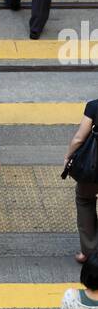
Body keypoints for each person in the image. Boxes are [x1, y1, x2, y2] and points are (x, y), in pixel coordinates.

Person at [64, 100, 98, 263]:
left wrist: (68, 157)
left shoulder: (94, 106)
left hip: (92, 168)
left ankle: (90, 252)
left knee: (85, 201)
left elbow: (79, 138)